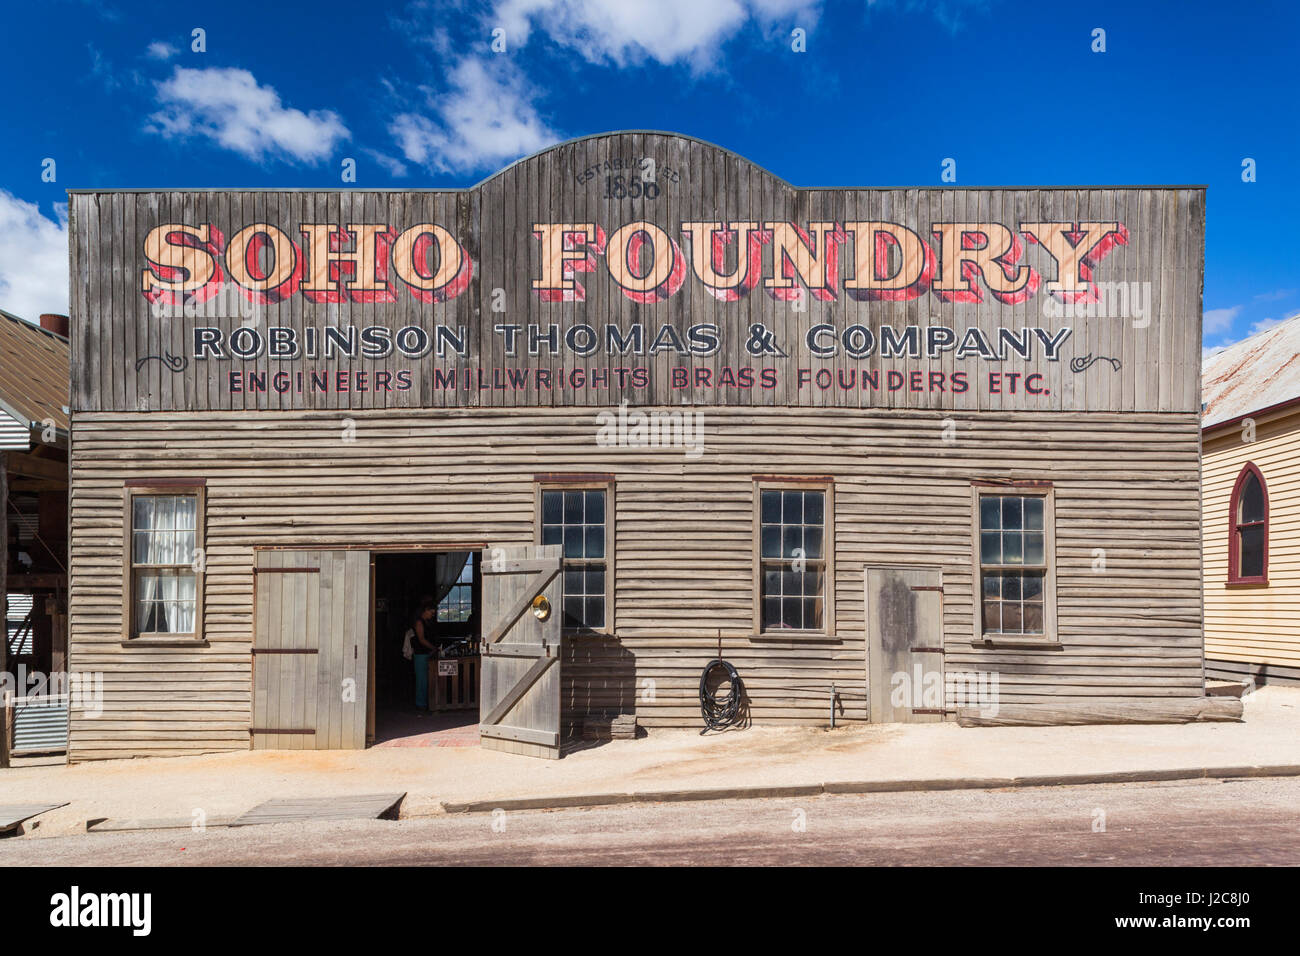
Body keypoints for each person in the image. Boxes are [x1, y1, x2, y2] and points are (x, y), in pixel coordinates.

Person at [411, 600, 437, 713]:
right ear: (426, 610)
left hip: (426, 653)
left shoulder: (426, 622)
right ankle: (421, 704)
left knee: (426, 680)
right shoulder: (419, 623)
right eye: (431, 613)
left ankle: (425, 703)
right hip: (420, 654)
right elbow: (421, 639)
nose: (432, 615)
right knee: (422, 681)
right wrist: (433, 648)